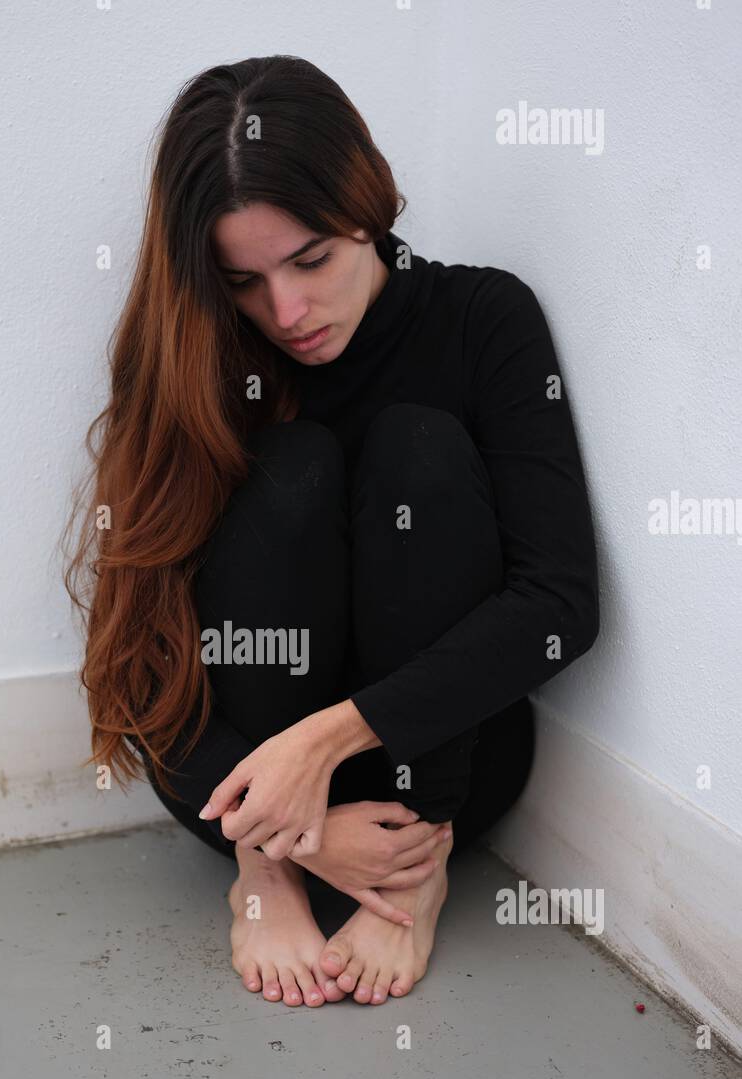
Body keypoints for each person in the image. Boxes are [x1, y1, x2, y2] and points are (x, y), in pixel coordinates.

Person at [62, 55, 600, 1010]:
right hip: (238, 792)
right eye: (243, 281)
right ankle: (265, 880)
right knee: (293, 465)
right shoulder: (195, 356)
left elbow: (560, 603)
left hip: (443, 781)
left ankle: (412, 877)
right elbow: (141, 656)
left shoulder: (484, 319)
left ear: (369, 202)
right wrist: (276, 830)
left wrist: (328, 740)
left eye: (311, 260)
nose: (287, 313)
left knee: (418, 448)